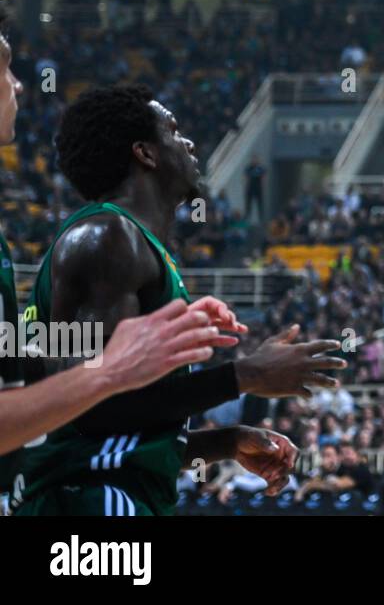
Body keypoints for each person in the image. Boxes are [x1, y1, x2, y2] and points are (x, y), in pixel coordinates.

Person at [14, 85, 348, 516]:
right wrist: (241, 376)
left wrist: (224, 443)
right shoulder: (105, 239)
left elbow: (123, 434)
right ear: (145, 154)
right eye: (173, 131)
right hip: (90, 502)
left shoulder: (134, 246)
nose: (188, 143)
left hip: (114, 495)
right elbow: (93, 408)